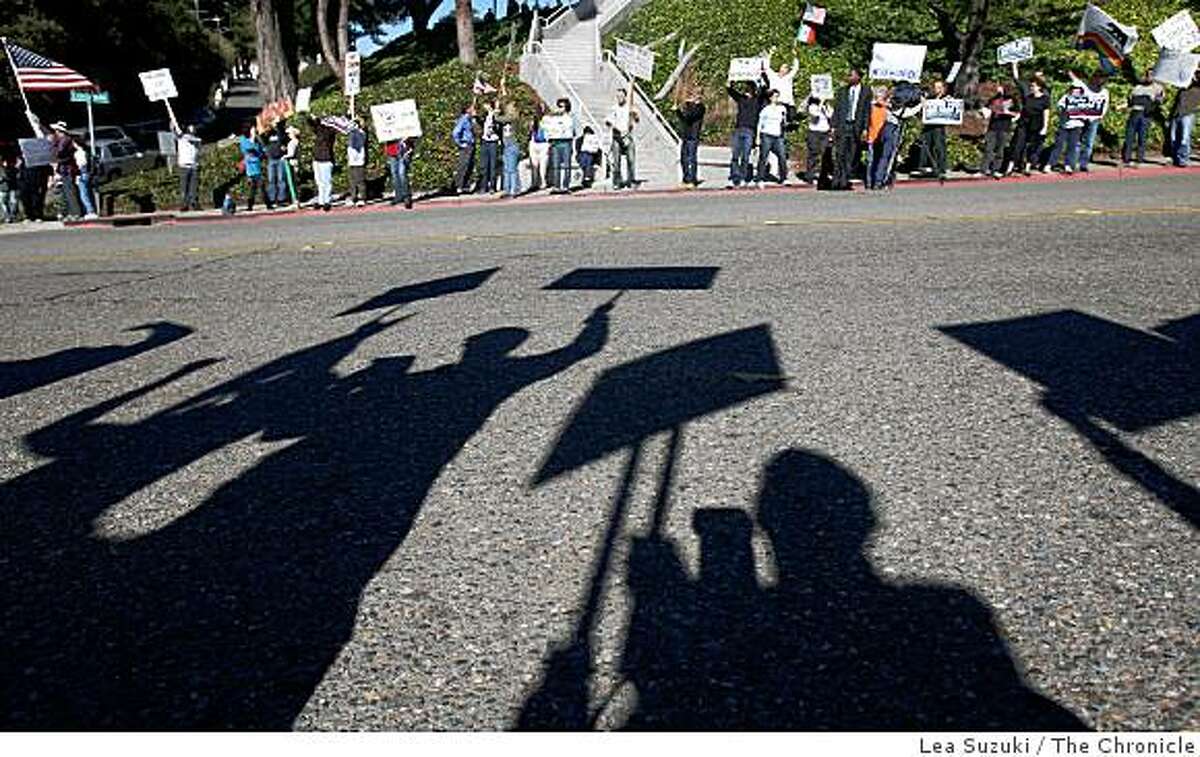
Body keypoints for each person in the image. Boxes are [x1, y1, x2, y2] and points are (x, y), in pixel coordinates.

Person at [831, 69, 870, 190]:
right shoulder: (842, 91)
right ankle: (836, 181)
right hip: (843, 125)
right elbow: (837, 109)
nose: (849, 77)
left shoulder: (866, 91)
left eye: (852, 75)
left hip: (856, 126)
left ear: (859, 77)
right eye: (849, 75)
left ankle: (845, 180)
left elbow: (866, 111)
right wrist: (833, 126)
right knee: (840, 154)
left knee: (851, 155)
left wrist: (865, 128)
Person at [727, 75, 767, 188]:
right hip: (738, 129)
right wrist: (731, 80)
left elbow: (764, 89)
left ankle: (743, 177)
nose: (748, 90)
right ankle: (734, 178)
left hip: (750, 130)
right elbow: (730, 90)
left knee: (745, 156)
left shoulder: (757, 100)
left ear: (754, 89)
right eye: (746, 88)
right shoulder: (741, 98)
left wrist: (762, 75)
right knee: (735, 155)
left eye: (750, 88)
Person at [1008, 69, 1050, 177]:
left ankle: (1027, 167)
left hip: (1036, 124)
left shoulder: (1045, 98)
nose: (1032, 88)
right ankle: (1010, 167)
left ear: (1039, 87)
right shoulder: (1027, 97)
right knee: (1018, 145)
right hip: (1024, 124)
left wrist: (1045, 127)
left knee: (1032, 147)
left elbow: (1046, 113)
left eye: (1034, 86)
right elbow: (1017, 81)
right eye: (1031, 86)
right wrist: (1014, 66)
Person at [1122, 72, 1164, 167]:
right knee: (1129, 137)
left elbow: (1160, 101)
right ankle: (1126, 159)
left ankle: (1139, 159)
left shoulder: (1158, 88)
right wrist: (1121, 106)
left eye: (1152, 75)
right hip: (1134, 113)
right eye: (1148, 75)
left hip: (1145, 115)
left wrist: (1157, 99)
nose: (1149, 77)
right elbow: (1130, 102)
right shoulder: (1137, 88)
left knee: (1142, 137)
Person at [1043, 84, 1087, 175]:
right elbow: (1060, 107)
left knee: (1072, 146)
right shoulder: (1065, 98)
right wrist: (1066, 110)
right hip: (1064, 125)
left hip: (1077, 125)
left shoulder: (1084, 99)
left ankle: (1068, 165)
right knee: (1058, 145)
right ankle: (1049, 164)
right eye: (1074, 90)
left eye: (1078, 90)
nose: (1076, 92)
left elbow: (1088, 111)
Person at [1070, 70, 1108, 172]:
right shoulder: (1085, 88)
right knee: (1077, 141)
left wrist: (1100, 116)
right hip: (1082, 118)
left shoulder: (1104, 92)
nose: (1100, 80)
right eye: (1098, 78)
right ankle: (1073, 163)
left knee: (1089, 142)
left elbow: (1105, 105)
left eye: (1102, 79)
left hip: (1094, 119)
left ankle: (1084, 163)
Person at [43, 120, 82, 221]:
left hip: (67, 169)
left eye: (56, 131)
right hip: (64, 169)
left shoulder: (65, 140)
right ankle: (71, 212)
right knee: (65, 192)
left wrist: (53, 144)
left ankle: (75, 213)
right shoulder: (64, 140)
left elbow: (59, 153)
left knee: (70, 191)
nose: (55, 133)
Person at [980, 84, 1018, 179]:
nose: (998, 90)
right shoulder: (994, 99)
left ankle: (996, 169)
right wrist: (985, 112)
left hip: (1005, 127)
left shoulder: (1012, 100)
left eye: (1001, 88)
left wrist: (1008, 113)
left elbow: (1017, 113)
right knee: (988, 149)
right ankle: (984, 169)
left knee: (1000, 151)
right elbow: (986, 109)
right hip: (993, 127)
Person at [914, 80, 949, 179]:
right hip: (928, 125)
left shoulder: (946, 98)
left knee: (939, 146)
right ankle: (924, 167)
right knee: (926, 145)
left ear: (943, 89)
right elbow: (923, 110)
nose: (937, 89)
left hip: (939, 126)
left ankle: (941, 168)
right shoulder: (930, 98)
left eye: (939, 87)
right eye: (935, 87)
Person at [864, 86, 897, 190]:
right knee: (871, 161)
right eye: (878, 95)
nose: (880, 97)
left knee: (880, 159)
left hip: (881, 137)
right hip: (872, 137)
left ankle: (877, 181)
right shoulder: (871, 107)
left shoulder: (888, 109)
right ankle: (869, 182)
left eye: (882, 95)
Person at [755, 89, 789, 187]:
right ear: (770, 98)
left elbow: (784, 121)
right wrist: (757, 138)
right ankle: (760, 178)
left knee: (782, 156)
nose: (776, 98)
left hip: (778, 136)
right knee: (764, 157)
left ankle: (784, 177)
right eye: (774, 96)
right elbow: (760, 124)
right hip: (767, 135)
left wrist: (785, 127)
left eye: (777, 96)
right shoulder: (766, 109)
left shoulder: (782, 108)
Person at [606, 90, 638, 190]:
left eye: (621, 96)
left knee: (631, 160)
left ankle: (631, 181)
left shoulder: (630, 107)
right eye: (618, 96)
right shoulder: (614, 108)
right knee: (616, 161)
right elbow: (608, 121)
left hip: (628, 136)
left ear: (625, 97)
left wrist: (634, 115)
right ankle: (617, 182)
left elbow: (637, 120)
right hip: (617, 137)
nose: (619, 98)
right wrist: (612, 125)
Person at [674, 86, 706, 187]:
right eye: (693, 94)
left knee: (691, 158)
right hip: (685, 135)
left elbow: (691, 116)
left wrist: (688, 104)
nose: (693, 96)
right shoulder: (690, 106)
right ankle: (685, 178)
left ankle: (692, 179)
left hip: (693, 135)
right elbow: (684, 119)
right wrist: (677, 111)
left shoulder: (701, 107)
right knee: (683, 158)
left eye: (696, 94)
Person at [307, 115, 338, 211]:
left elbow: (320, 128)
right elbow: (312, 125)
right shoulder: (319, 130)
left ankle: (327, 200)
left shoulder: (330, 131)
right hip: (317, 158)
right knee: (319, 181)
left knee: (326, 181)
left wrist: (318, 120)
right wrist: (310, 117)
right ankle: (321, 200)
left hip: (326, 158)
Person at [1170, 74, 1200, 167]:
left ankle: (1184, 159)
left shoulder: (1198, 87)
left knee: (1184, 138)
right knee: (1174, 138)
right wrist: (1171, 116)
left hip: (1188, 114)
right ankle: (1176, 158)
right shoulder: (1182, 89)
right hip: (1177, 114)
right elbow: (1176, 103)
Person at [238, 125, 270, 211]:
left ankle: (268, 204)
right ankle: (250, 206)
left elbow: (261, 151)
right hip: (250, 168)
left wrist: (257, 140)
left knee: (262, 187)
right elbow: (248, 149)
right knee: (252, 188)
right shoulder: (243, 139)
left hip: (257, 166)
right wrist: (253, 139)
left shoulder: (257, 140)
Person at [551, 98, 579, 192]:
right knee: (556, 165)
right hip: (556, 142)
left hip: (566, 142)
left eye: (561, 106)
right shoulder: (554, 118)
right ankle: (556, 186)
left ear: (566, 107)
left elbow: (575, 131)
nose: (559, 108)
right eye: (558, 106)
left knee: (567, 165)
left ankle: (565, 186)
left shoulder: (571, 118)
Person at [803, 95, 833, 184]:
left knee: (826, 154)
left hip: (825, 132)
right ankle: (810, 176)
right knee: (813, 154)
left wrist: (826, 106)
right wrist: (821, 104)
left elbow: (830, 115)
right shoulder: (812, 107)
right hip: (814, 132)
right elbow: (815, 116)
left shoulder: (826, 106)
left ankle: (824, 175)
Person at [452, 103, 477, 194]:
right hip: (466, 145)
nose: (474, 110)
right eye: (472, 108)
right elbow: (455, 132)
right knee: (463, 165)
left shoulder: (470, 119)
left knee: (470, 165)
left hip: (471, 145)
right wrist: (460, 144)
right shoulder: (464, 119)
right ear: (467, 110)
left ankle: (465, 185)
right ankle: (459, 186)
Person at [176, 124, 202, 211]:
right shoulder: (181, 138)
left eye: (194, 130)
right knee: (184, 187)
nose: (192, 132)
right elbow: (177, 133)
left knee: (194, 187)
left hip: (194, 166)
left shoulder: (197, 140)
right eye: (191, 130)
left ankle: (194, 203)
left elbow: (197, 149)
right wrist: (173, 126)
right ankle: (184, 204)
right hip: (184, 166)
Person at [479, 100, 502, 195]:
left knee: (493, 165)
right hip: (485, 141)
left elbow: (499, 127)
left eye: (486, 104)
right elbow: (480, 124)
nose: (485, 106)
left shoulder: (496, 114)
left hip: (493, 141)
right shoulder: (484, 115)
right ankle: (484, 186)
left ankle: (492, 186)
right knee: (484, 165)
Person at [385, 137, 414, 209]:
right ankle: (398, 196)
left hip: (403, 151)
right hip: (391, 150)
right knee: (394, 174)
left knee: (402, 174)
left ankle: (406, 196)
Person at [346, 117, 368, 207]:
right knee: (352, 181)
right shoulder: (350, 134)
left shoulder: (361, 133)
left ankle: (362, 198)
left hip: (359, 160)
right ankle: (353, 197)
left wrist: (358, 121)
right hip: (351, 160)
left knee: (360, 180)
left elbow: (361, 138)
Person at [264, 122, 287, 208]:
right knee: (271, 180)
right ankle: (272, 199)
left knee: (281, 179)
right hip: (271, 159)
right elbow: (261, 139)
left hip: (280, 158)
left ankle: (282, 199)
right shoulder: (266, 135)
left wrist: (277, 125)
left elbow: (282, 135)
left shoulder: (279, 133)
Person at [73, 139, 97, 219]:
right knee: (88, 192)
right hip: (88, 173)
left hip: (82, 173)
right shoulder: (87, 152)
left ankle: (90, 211)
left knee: (83, 194)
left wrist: (77, 174)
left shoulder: (78, 153)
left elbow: (80, 164)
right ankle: (91, 210)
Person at [528, 110, 549, 191]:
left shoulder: (547, 120)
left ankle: (543, 182)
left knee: (543, 164)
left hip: (543, 144)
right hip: (534, 143)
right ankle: (534, 183)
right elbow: (530, 131)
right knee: (534, 164)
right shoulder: (533, 121)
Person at [283, 125, 301, 206]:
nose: (288, 135)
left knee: (292, 182)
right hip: (295, 162)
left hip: (292, 163)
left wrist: (284, 156)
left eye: (289, 133)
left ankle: (295, 200)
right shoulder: (296, 142)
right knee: (294, 182)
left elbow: (291, 154)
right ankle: (296, 199)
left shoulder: (293, 142)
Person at [0, 152, 18, 223]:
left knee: (14, 202)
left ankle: (12, 216)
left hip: (12, 187)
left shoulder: (12, 168)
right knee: (4, 202)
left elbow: (16, 176)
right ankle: (7, 217)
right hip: (3, 188)